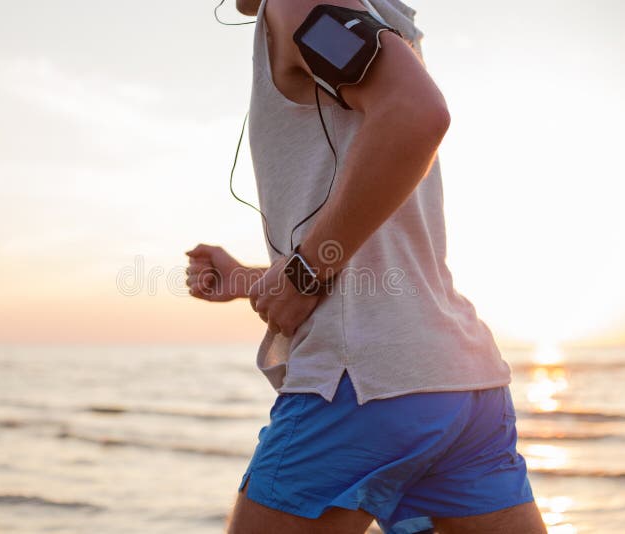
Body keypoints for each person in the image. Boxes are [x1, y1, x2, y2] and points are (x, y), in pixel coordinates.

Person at [186, 0, 548, 532]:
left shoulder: (297, 3)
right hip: (461, 384)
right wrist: (252, 279)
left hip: (364, 387)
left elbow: (417, 113)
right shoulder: (378, 20)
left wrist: (305, 272)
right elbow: (377, 256)